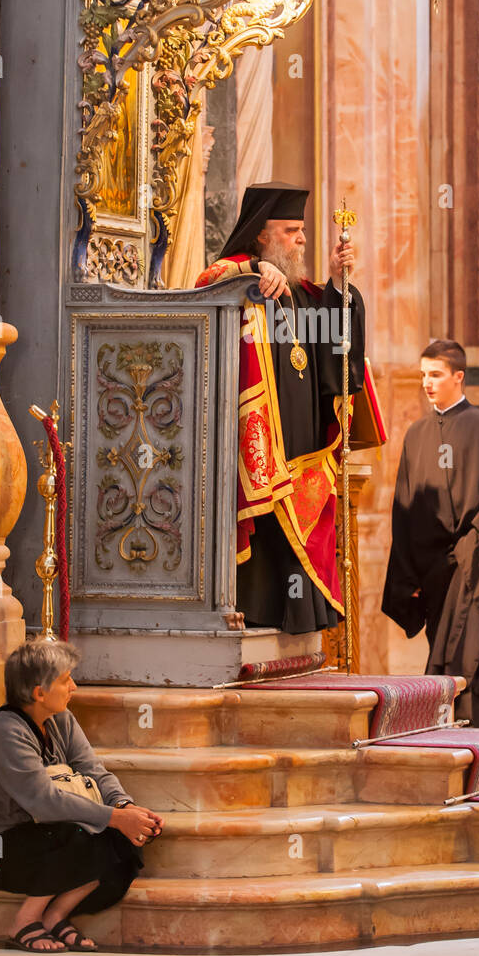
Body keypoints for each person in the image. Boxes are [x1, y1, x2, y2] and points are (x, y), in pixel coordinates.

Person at [195, 181, 365, 632]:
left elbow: (335, 342)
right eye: (291, 230)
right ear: (260, 235)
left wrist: (339, 284)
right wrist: (252, 271)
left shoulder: (299, 293)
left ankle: (298, 621)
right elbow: (204, 286)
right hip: (254, 450)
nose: (302, 239)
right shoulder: (235, 275)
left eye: (302, 230)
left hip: (299, 450)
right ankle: (257, 615)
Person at [0, 639, 163, 953]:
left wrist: (125, 806)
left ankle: (55, 916)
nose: (74, 687)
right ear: (39, 692)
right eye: (66, 680)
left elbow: (93, 770)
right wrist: (117, 818)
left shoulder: (60, 718)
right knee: (83, 838)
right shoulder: (5, 731)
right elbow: (44, 802)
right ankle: (24, 921)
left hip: (42, 834)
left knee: (125, 845)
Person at [381, 340, 479, 727]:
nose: (427, 383)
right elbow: (405, 507)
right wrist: (408, 575)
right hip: (433, 573)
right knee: (441, 655)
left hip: (474, 566)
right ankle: (444, 741)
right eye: (423, 375)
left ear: (459, 377)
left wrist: (473, 548)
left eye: (436, 375)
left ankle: (465, 743)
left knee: (466, 661)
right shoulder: (417, 434)